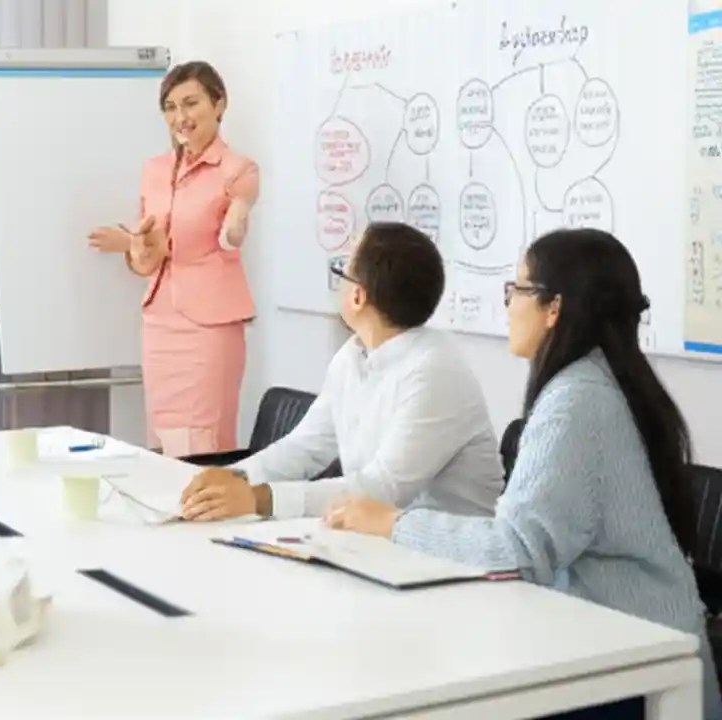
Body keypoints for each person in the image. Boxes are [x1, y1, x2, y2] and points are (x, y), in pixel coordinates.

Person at [326, 228, 722, 720]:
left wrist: (393, 523)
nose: (508, 304)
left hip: (632, 663)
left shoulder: (576, 402)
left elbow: (515, 551)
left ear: (553, 308)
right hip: (608, 639)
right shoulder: (593, 381)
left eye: (516, 290)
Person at [179, 221, 503, 522]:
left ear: (358, 296)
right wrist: (235, 477)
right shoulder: (353, 355)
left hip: (448, 562)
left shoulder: (435, 372)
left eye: (342, 270)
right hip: (376, 545)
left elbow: (383, 491)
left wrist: (260, 499)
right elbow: (306, 447)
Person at [88, 60, 259, 457]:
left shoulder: (238, 169)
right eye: (170, 107)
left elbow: (235, 228)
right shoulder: (154, 170)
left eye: (191, 103)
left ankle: (209, 514)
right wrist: (135, 246)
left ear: (219, 104)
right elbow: (147, 262)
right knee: (163, 438)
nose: (180, 117)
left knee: (203, 441)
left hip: (209, 326)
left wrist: (235, 225)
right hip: (160, 322)